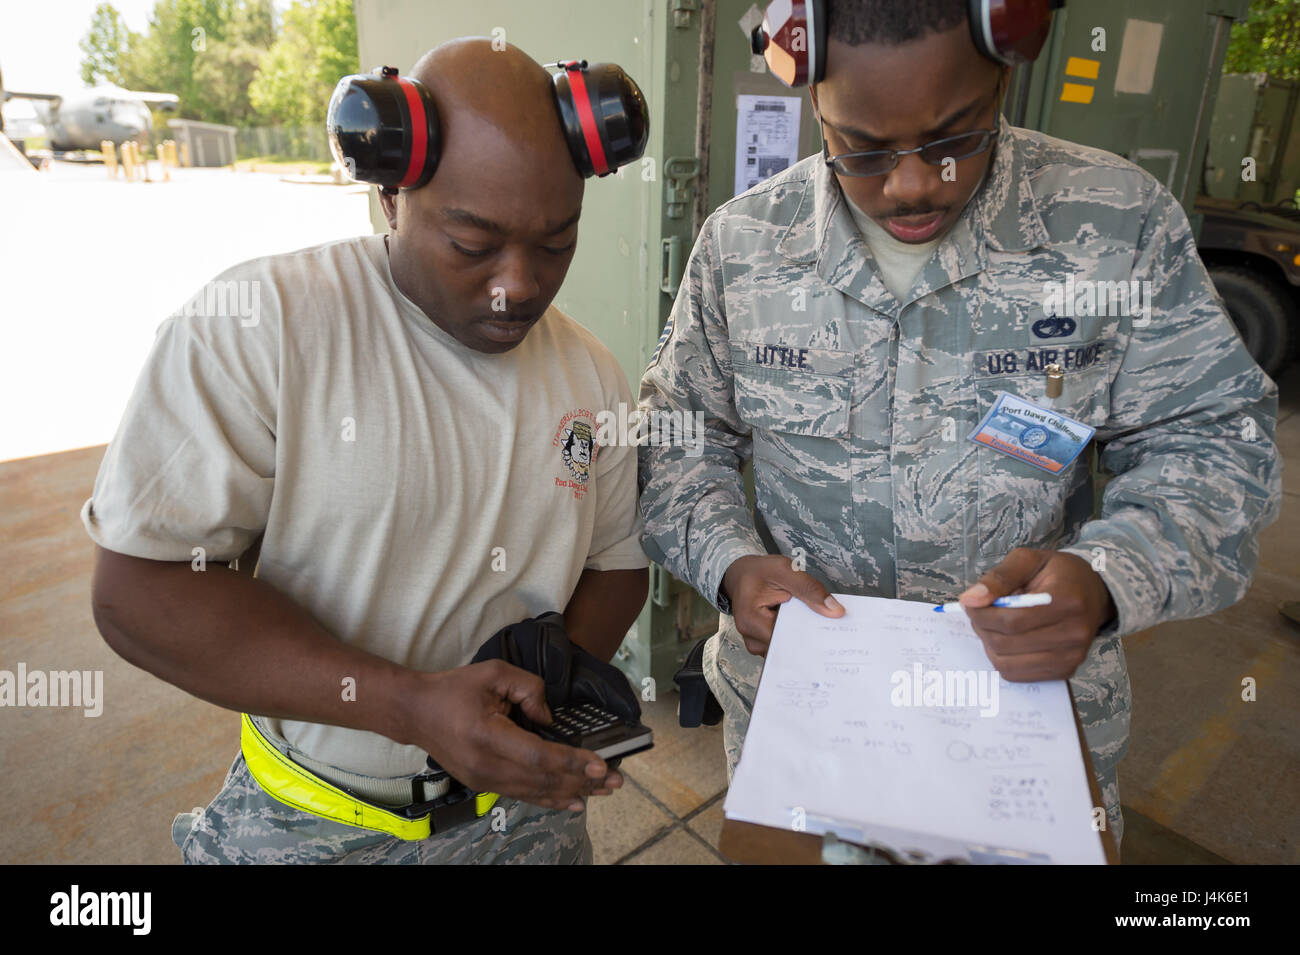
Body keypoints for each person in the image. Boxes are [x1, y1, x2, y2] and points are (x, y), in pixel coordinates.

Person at [636, 0, 1281, 851]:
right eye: (860, 147)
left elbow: (1216, 446)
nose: (911, 184)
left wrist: (1103, 576)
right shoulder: (743, 246)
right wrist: (730, 564)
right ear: (814, 99)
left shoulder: (1116, 229)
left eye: (956, 137)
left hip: (1025, 739)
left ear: (1005, 68)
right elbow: (678, 436)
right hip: (808, 731)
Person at [83, 38, 649, 864]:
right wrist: (412, 707)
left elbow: (617, 563)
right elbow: (139, 591)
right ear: (393, 194)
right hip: (312, 828)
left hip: (527, 825)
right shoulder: (261, 327)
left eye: (556, 242)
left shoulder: (592, 374)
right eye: (473, 243)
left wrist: (540, 701)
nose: (518, 284)